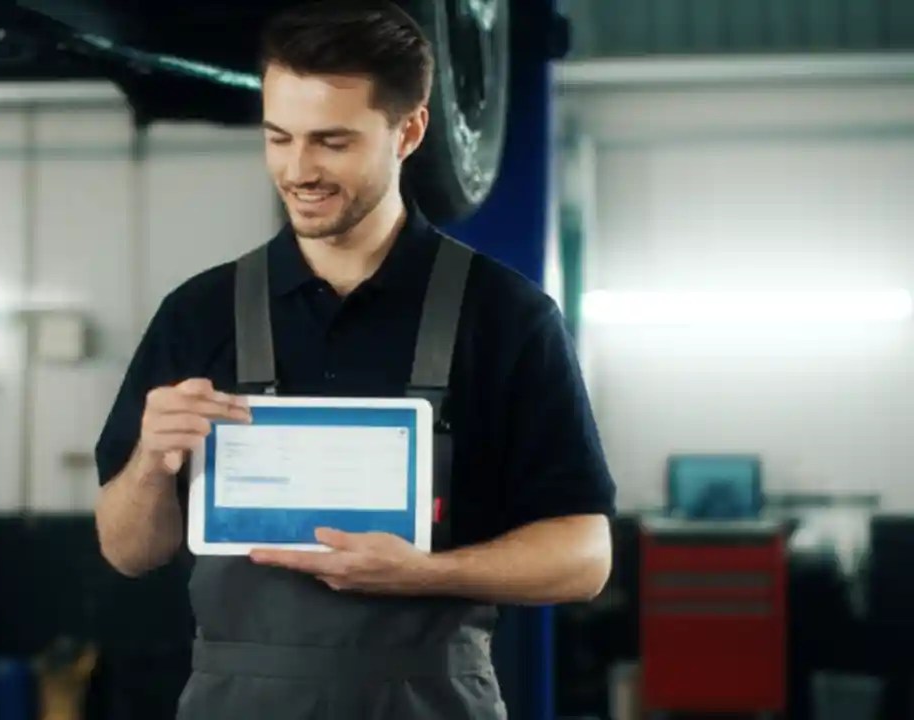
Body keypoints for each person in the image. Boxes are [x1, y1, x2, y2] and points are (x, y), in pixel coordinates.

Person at [93, 1, 616, 718]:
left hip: (429, 698)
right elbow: (127, 550)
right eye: (279, 138)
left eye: (331, 142)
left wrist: (426, 573)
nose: (298, 169)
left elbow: (585, 557)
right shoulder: (199, 313)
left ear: (410, 131)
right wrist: (152, 461)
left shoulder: (505, 318)